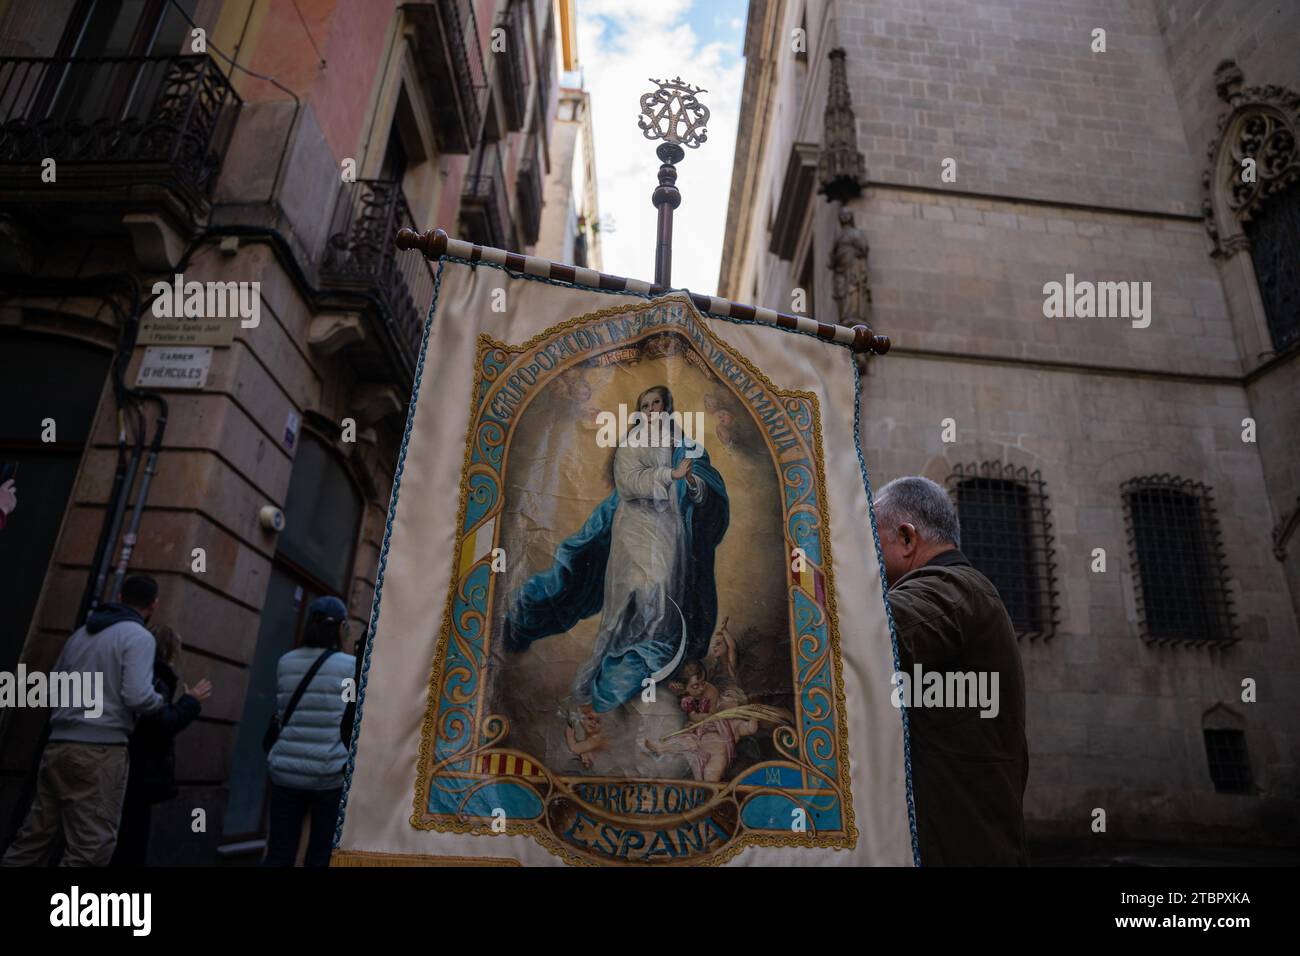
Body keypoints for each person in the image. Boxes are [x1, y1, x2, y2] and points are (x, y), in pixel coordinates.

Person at [503, 385, 730, 714]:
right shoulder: (634, 442)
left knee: (662, 598)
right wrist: (669, 475)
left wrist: (693, 484)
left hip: (671, 536)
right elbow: (627, 482)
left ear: (668, 407)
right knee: (630, 598)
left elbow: (706, 489)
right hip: (633, 529)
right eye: (646, 405)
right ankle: (608, 665)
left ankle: (634, 666)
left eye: (657, 403)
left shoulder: (687, 445)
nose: (652, 409)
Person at [873, 476, 1029, 866]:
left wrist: (803, 576)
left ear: (907, 539)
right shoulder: (962, 589)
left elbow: (872, 635)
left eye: (870, 542)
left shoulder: (953, 588)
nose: (866, 559)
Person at [2, 574, 166, 867]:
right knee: (91, 848)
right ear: (153, 605)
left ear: (119, 597)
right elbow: (139, 696)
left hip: (57, 746)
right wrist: (159, 702)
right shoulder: (138, 637)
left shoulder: (80, 634)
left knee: (33, 840)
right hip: (100, 750)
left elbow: (51, 687)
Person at [262, 596, 354, 867]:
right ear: (340, 628)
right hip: (327, 772)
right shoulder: (349, 666)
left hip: (285, 770)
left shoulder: (286, 661)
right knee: (321, 852)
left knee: (279, 851)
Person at [110, 625, 212, 867]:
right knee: (129, 841)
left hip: (125, 765)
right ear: (171, 651)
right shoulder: (158, 678)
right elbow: (162, 724)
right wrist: (191, 701)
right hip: (139, 771)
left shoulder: (139, 673)